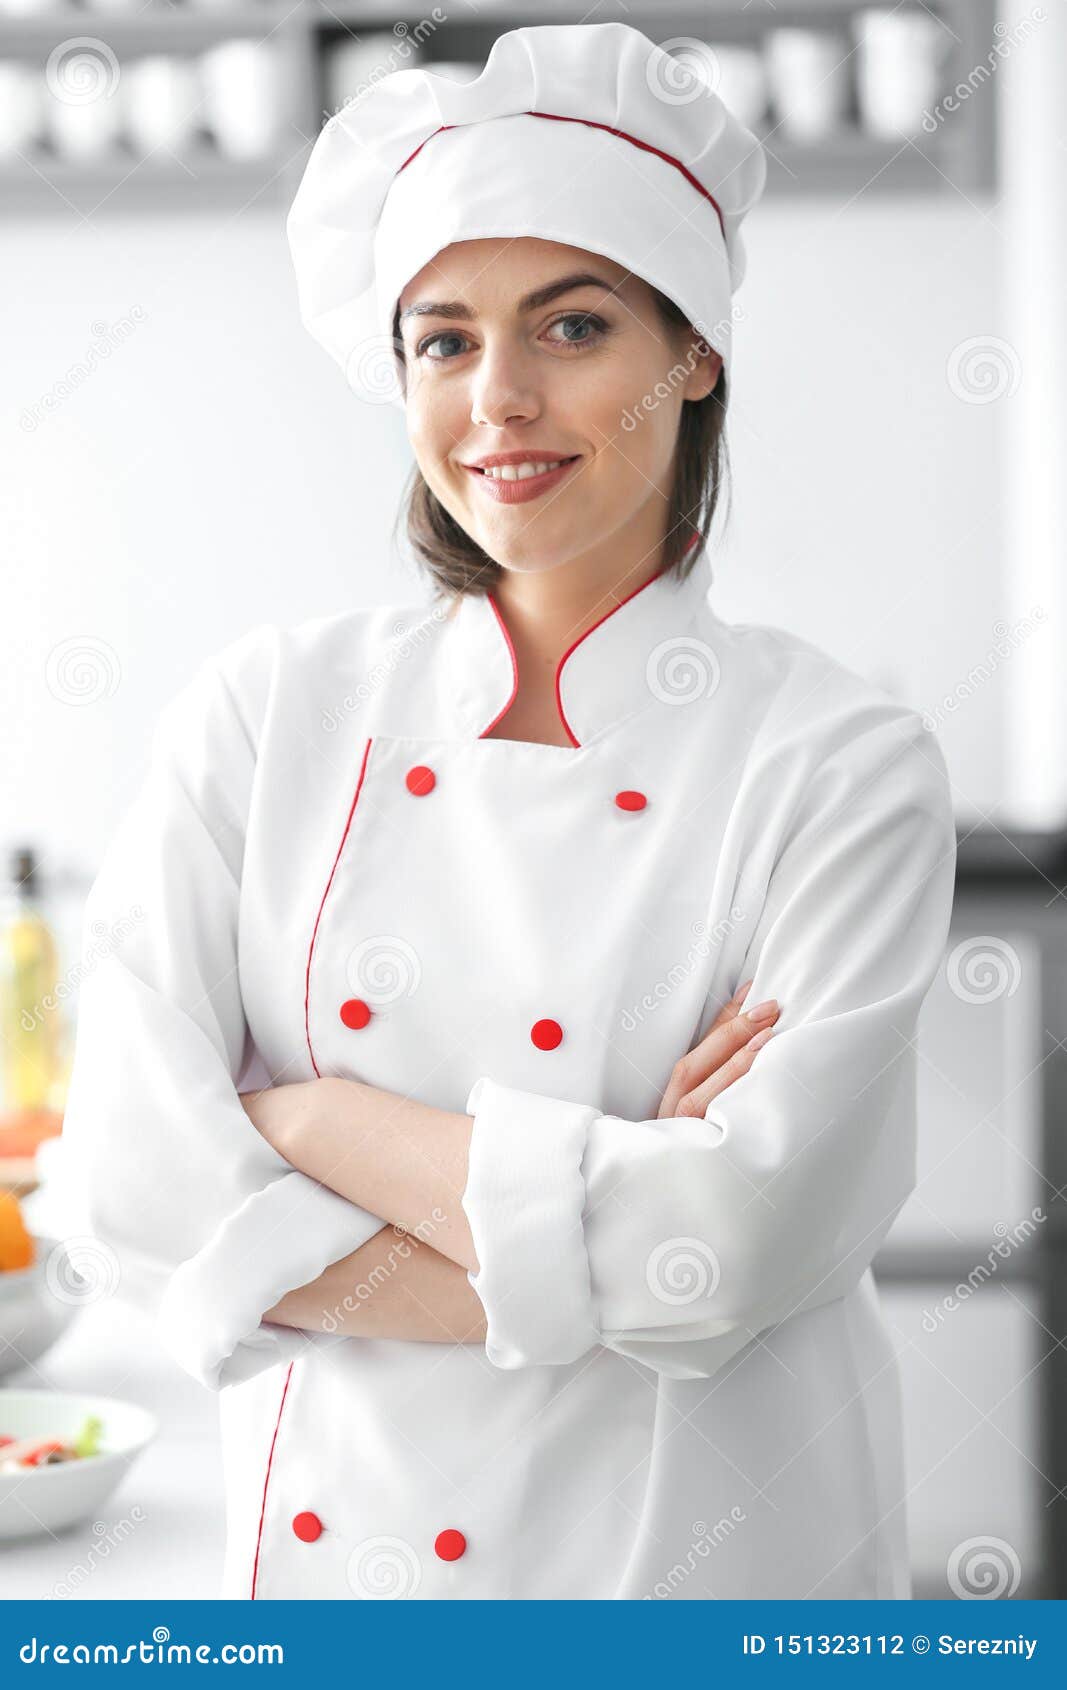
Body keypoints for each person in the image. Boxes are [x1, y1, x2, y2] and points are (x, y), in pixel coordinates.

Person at [61, 21, 957, 1599]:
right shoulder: (265, 717)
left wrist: (310, 1127)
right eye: (447, 340)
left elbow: (743, 1238)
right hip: (344, 1591)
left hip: (706, 1580)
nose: (502, 399)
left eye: (574, 324)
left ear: (696, 352)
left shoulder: (841, 762)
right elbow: (134, 1185)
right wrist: (624, 1220)